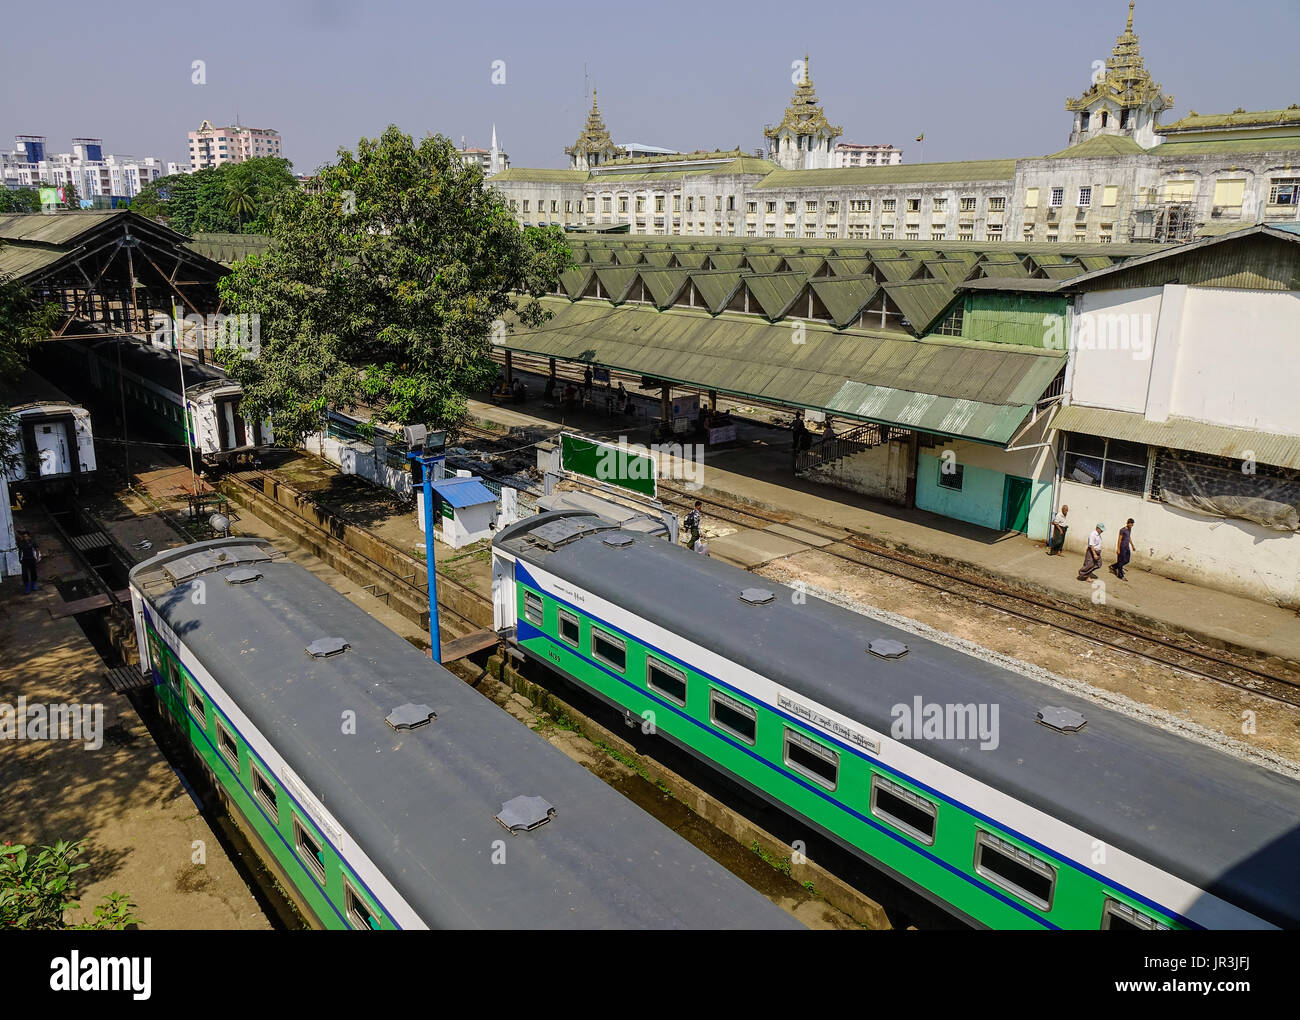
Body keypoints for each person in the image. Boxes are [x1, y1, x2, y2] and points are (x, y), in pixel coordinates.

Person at [18, 530, 40, 594]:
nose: (25, 538)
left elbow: (37, 549)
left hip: (32, 559)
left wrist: (37, 557)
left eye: (26, 536)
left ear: (28, 536)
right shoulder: (21, 543)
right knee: (25, 574)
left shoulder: (32, 542)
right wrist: (20, 559)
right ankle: (27, 586)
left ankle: (33, 585)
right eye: (24, 536)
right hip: (24, 560)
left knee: (33, 573)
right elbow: (20, 551)